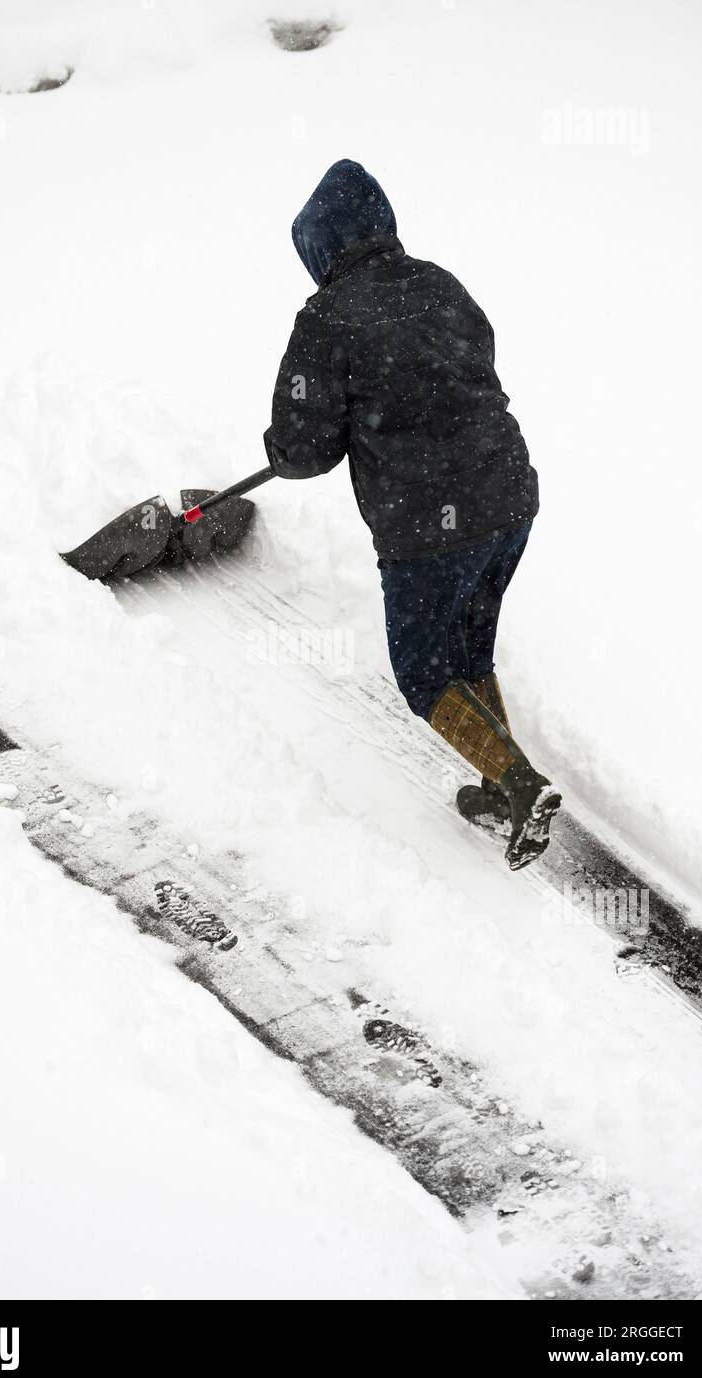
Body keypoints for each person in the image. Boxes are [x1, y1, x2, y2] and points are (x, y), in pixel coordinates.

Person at [263, 159, 559, 870]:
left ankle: (521, 784)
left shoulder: (326, 317)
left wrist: (288, 446)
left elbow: (303, 452)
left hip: (429, 525)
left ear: (321, 246)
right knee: (467, 651)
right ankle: (498, 784)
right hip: (508, 498)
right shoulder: (439, 283)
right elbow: (465, 370)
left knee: (426, 676)